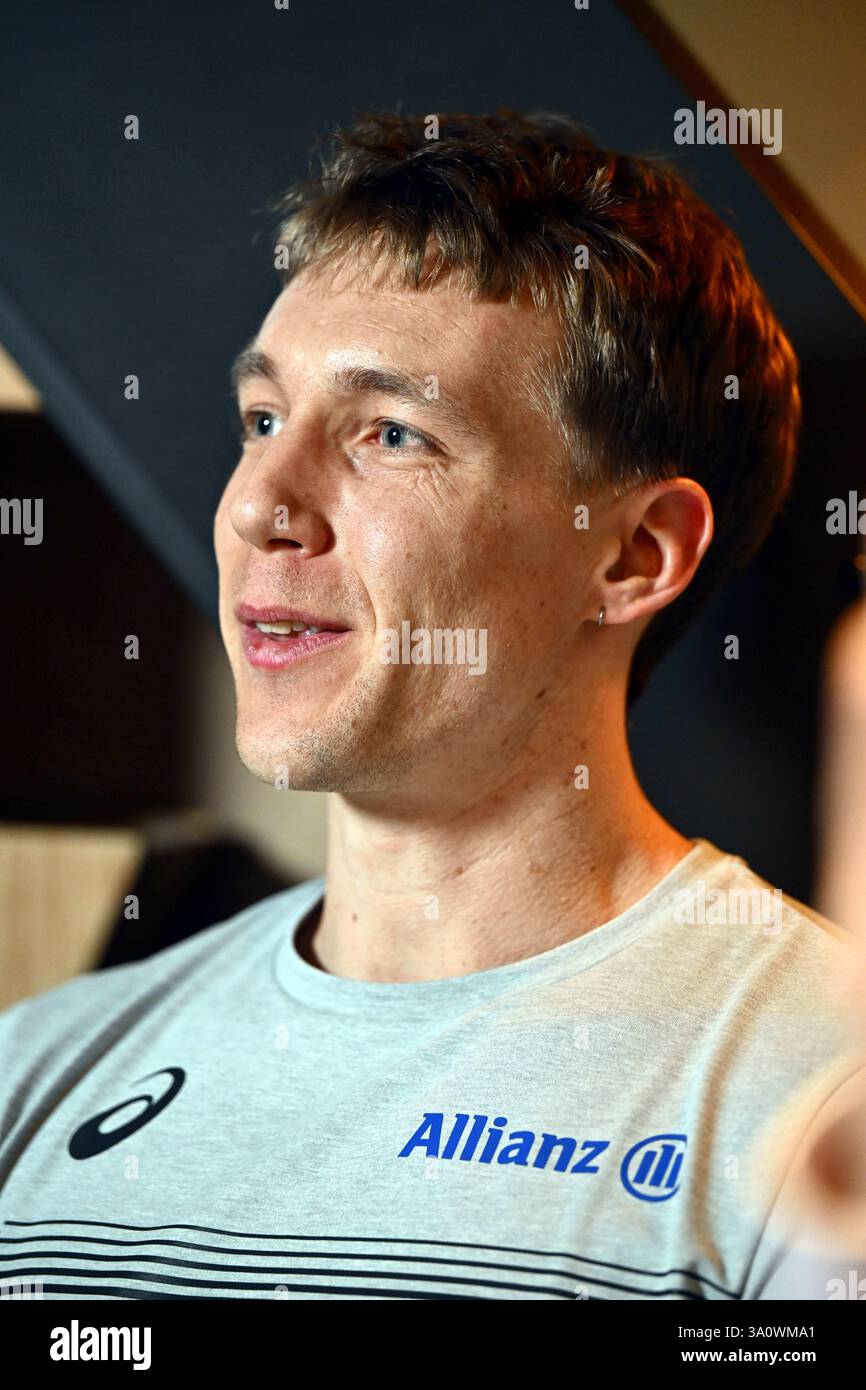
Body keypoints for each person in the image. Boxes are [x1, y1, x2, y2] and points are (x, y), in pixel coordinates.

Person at [1, 109, 863, 1302]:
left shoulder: (819, 1109)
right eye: (261, 419)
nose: (258, 505)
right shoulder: (36, 1070)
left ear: (631, 557)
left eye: (388, 433)